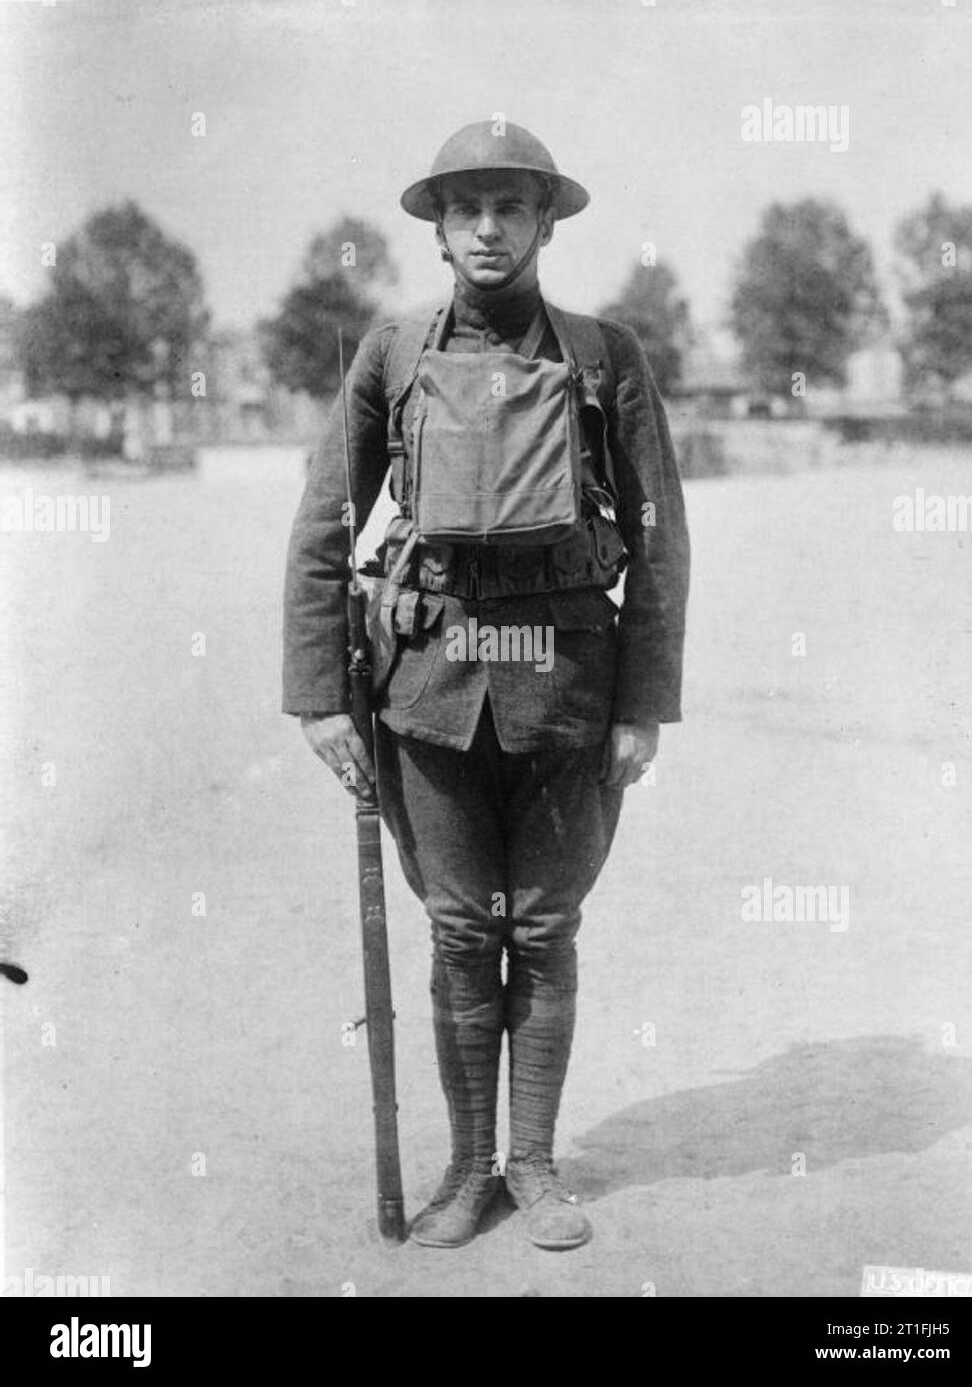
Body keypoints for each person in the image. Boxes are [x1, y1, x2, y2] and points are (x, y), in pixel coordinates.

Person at [283, 120, 690, 1250]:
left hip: (566, 692)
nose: (489, 228)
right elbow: (324, 526)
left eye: (512, 206)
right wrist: (322, 695)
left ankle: (539, 1168)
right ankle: (469, 1172)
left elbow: (659, 538)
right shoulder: (392, 354)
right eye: (467, 208)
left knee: (546, 930)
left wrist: (643, 706)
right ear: (439, 228)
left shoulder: (607, 357)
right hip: (429, 694)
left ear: (546, 221)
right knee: (464, 934)